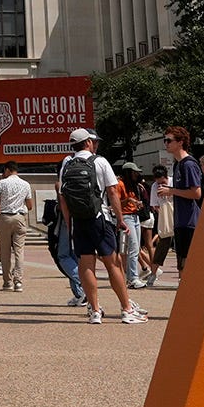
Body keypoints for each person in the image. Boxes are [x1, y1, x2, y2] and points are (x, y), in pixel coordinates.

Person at [56, 129, 141, 324]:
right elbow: (112, 192)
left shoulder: (67, 163)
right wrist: (120, 219)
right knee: (113, 263)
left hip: (78, 219)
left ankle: (95, 311)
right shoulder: (100, 161)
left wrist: (70, 223)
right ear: (88, 142)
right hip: (99, 217)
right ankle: (126, 309)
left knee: (86, 264)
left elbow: (63, 197)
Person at [163, 129, 204, 277]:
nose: (166, 144)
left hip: (190, 221)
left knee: (188, 263)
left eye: (169, 140)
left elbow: (196, 193)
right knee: (181, 264)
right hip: (181, 220)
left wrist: (172, 191)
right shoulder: (178, 164)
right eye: (165, 140)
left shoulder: (189, 164)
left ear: (180, 142)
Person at [0, 164, 33, 291]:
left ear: (7, 170)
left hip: (5, 217)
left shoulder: (2, 183)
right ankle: (18, 281)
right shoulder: (25, 184)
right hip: (19, 217)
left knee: (5, 251)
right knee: (19, 251)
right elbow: (29, 206)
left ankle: (7, 282)